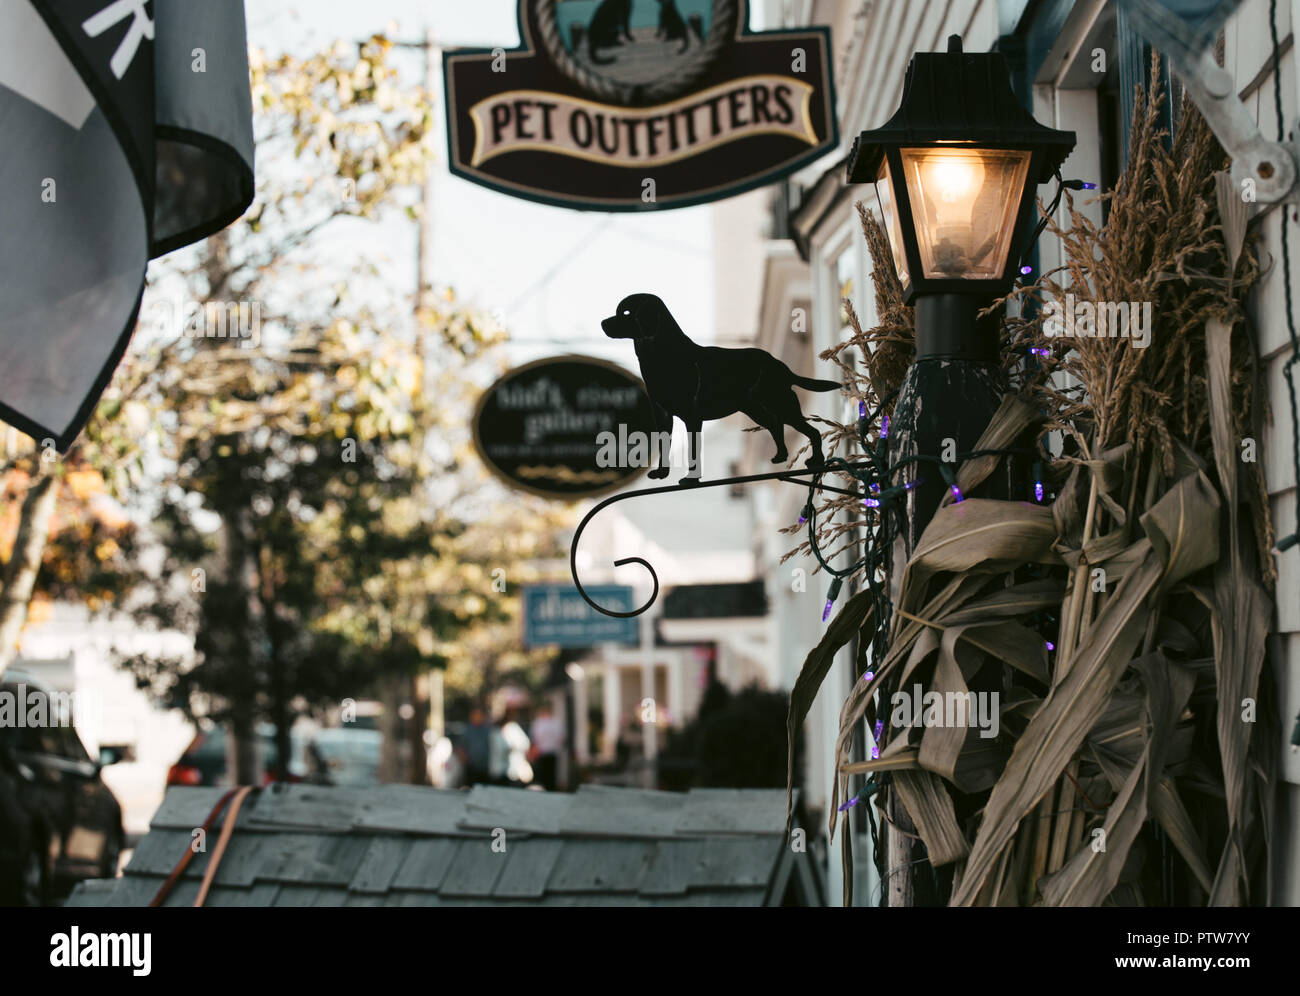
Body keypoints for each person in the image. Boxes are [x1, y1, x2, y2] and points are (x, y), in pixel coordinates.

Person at [528, 701, 564, 791]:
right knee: (547, 773)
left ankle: (549, 788)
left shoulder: (550, 722)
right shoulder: (550, 722)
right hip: (545, 752)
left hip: (548, 751)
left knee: (548, 773)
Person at [459, 704, 492, 787]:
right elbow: (461, 747)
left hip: (485, 768)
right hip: (471, 767)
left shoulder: (487, 730)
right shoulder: (468, 730)